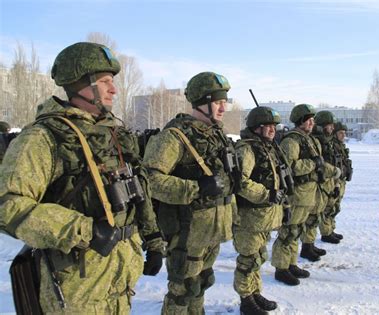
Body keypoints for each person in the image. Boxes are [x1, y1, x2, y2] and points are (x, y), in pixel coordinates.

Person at [0, 42, 165, 314]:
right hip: (76, 286)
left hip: (120, 275)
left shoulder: (113, 134)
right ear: (79, 84)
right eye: (104, 82)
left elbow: (138, 188)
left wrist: (153, 240)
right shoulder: (43, 138)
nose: (114, 89)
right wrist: (84, 230)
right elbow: (8, 206)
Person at [143, 71, 238, 314]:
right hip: (187, 233)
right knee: (182, 291)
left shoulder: (216, 136)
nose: (223, 108)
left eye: (224, 101)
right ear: (202, 103)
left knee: (202, 282)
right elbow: (150, 181)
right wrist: (196, 189)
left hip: (212, 231)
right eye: (217, 102)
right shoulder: (174, 136)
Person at [233, 106, 291, 314]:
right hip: (249, 218)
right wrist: (267, 194)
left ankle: (254, 292)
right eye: (268, 126)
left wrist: (284, 206)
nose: (272, 129)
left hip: (265, 217)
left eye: (274, 126)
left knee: (258, 256)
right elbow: (241, 182)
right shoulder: (247, 149)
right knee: (247, 259)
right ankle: (245, 298)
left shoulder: (268, 148)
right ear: (256, 127)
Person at [271, 104, 331, 285]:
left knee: (297, 231)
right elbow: (290, 166)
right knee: (288, 232)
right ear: (300, 121)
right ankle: (281, 268)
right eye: (308, 120)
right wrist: (313, 164)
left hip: (308, 194)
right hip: (296, 194)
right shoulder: (291, 142)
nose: (312, 123)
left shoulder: (309, 139)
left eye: (313, 120)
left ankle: (291, 263)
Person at [311, 110, 343, 244]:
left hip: (330, 180)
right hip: (319, 182)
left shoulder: (328, 141)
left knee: (330, 208)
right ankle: (311, 242)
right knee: (314, 215)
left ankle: (328, 231)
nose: (332, 128)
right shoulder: (316, 141)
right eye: (329, 125)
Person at [328, 121, 353, 238]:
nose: (343, 135)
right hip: (335, 180)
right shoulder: (332, 146)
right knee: (330, 207)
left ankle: (330, 229)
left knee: (336, 207)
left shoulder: (341, 146)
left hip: (341, 179)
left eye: (344, 133)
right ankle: (326, 232)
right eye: (340, 133)